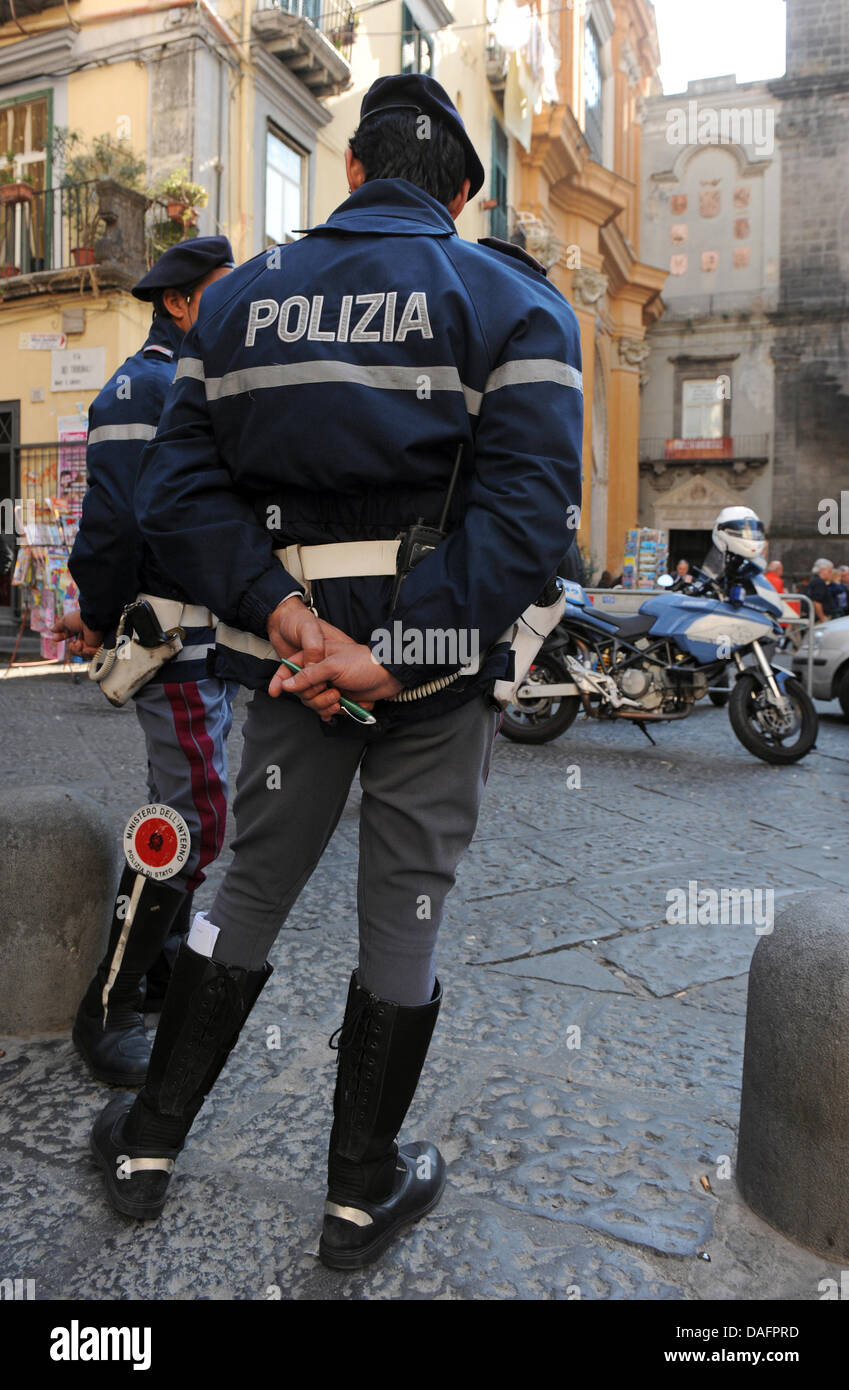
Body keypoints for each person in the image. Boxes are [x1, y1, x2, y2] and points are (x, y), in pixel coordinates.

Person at [88, 72, 583, 1267]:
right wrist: (397, 646)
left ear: (351, 172)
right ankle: (359, 1194)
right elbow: (529, 515)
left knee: (246, 889)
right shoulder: (512, 303)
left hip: (286, 668)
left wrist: (286, 615)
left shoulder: (238, 303)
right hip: (430, 674)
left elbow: (175, 494)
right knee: (406, 908)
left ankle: (150, 1144)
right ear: (460, 194)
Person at [53, 237, 237, 1089]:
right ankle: (109, 1004)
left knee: (186, 805)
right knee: (191, 815)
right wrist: (97, 613)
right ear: (181, 302)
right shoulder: (147, 385)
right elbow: (116, 523)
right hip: (174, 636)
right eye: (222, 292)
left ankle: (155, 975)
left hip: (203, 638)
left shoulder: (186, 381)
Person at [808, 558, 836, 623]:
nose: (830, 574)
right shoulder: (819, 582)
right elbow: (816, 602)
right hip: (820, 618)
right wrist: (822, 618)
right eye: (829, 571)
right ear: (823, 570)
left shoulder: (815, 580)